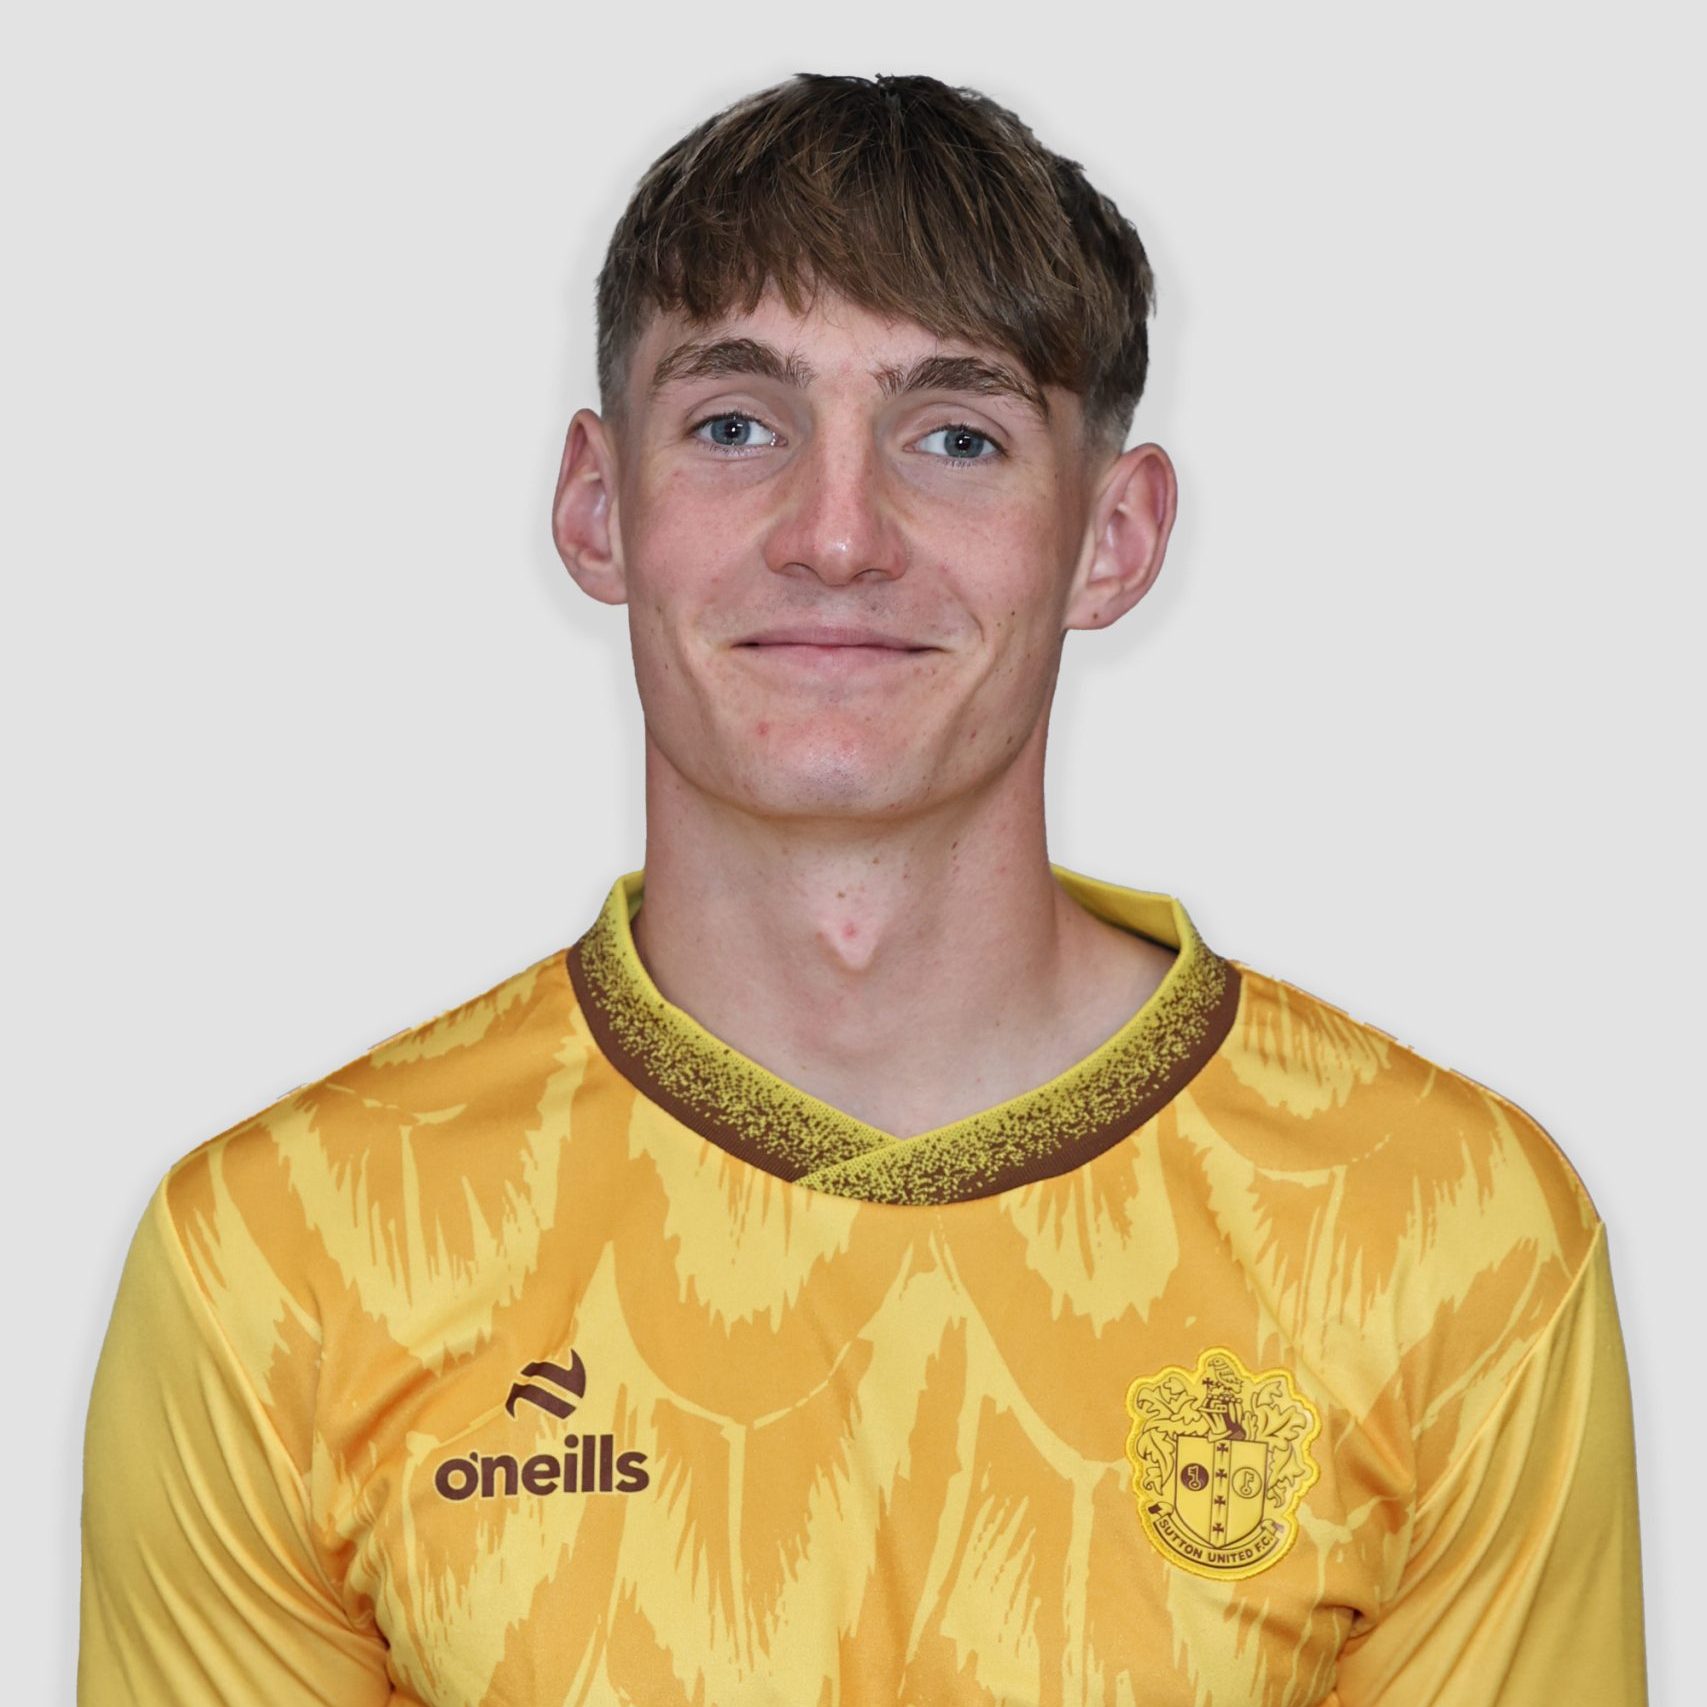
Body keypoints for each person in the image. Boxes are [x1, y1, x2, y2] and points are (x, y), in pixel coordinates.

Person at [78, 72, 1646, 1706]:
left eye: (956, 437)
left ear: (1111, 538)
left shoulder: (1454, 1236)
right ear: (599, 507)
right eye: (736, 426)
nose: (836, 536)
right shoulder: (282, 1260)